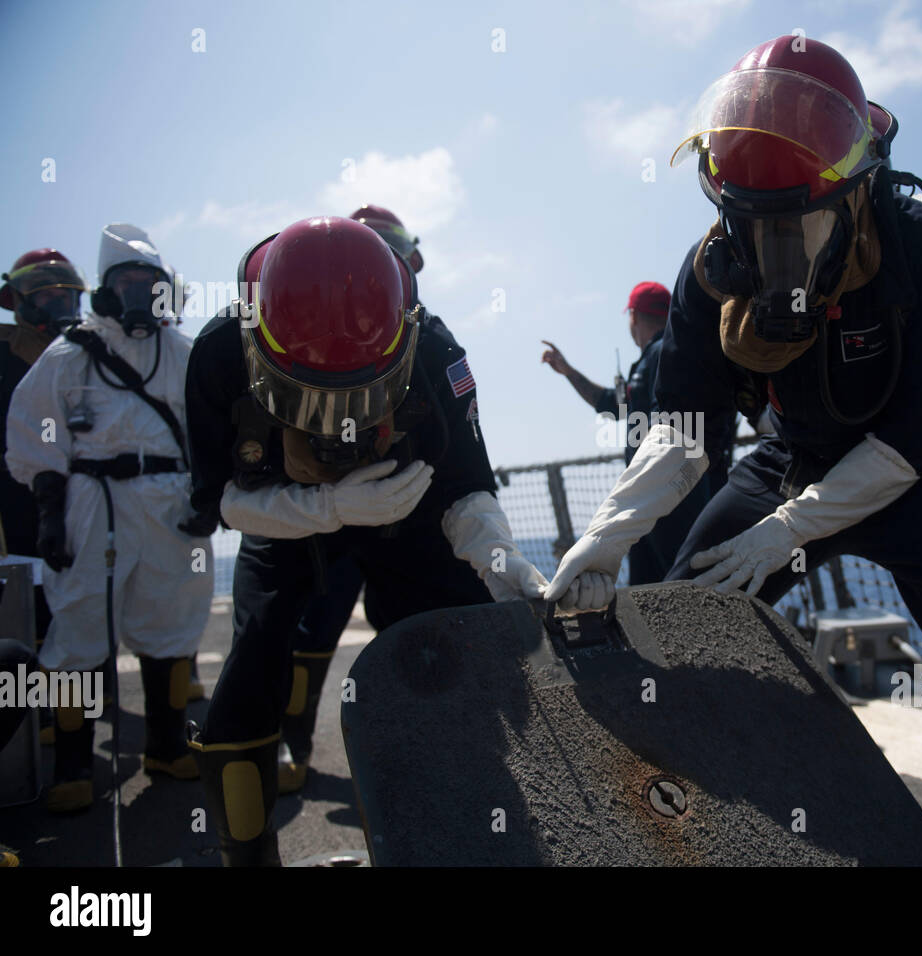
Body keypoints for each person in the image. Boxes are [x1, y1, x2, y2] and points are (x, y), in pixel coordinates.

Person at [545, 35, 922, 867]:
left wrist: (789, 532)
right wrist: (610, 533)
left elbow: (919, 437)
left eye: (789, 225)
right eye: (746, 222)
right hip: (790, 460)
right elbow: (687, 431)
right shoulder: (709, 275)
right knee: (680, 620)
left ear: (857, 192)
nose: (764, 252)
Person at [185, 215, 546, 865]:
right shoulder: (217, 352)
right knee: (248, 674)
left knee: (448, 650)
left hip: (406, 513)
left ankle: (464, 821)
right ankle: (246, 855)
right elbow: (220, 503)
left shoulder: (435, 350)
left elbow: (466, 484)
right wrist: (323, 506)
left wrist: (500, 561)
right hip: (284, 516)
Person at [5, 224, 213, 813]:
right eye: (126, 281)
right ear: (104, 289)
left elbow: (212, 427)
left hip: (168, 500)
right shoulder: (69, 354)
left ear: (164, 286)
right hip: (91, 501)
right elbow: (33, 432)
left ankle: (168, 746)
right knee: (76, 629)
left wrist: (206, 495)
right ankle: (72, 766)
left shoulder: (182, 353)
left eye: (147, 281)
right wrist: (49, 512)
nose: (138, 291)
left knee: (171, 620)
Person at [274, 204, 438, 795]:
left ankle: (430, 739)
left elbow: (460, 445)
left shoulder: (432, 339)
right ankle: (292, 743)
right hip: (326, 507)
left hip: (402, 507)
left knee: (413, 619)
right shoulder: (287, 333)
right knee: (311, 628)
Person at [541, 282, 735, 583]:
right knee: (651, 587)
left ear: (633, 316)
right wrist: (568, 372)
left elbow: (675, 425)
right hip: (653, 497)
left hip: (670, 494)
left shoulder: (663, 352)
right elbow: (612, 405)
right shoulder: (658, 357)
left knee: (682, 581)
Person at [0, 250, 85, 673]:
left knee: (75, 607)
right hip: (12, 501)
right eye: (45, 295)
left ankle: (75, 705)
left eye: (64, 296)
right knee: (22, 606)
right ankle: (33, 717)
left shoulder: (89, 353)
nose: (57, 305)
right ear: (15, 300)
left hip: (78, 501)